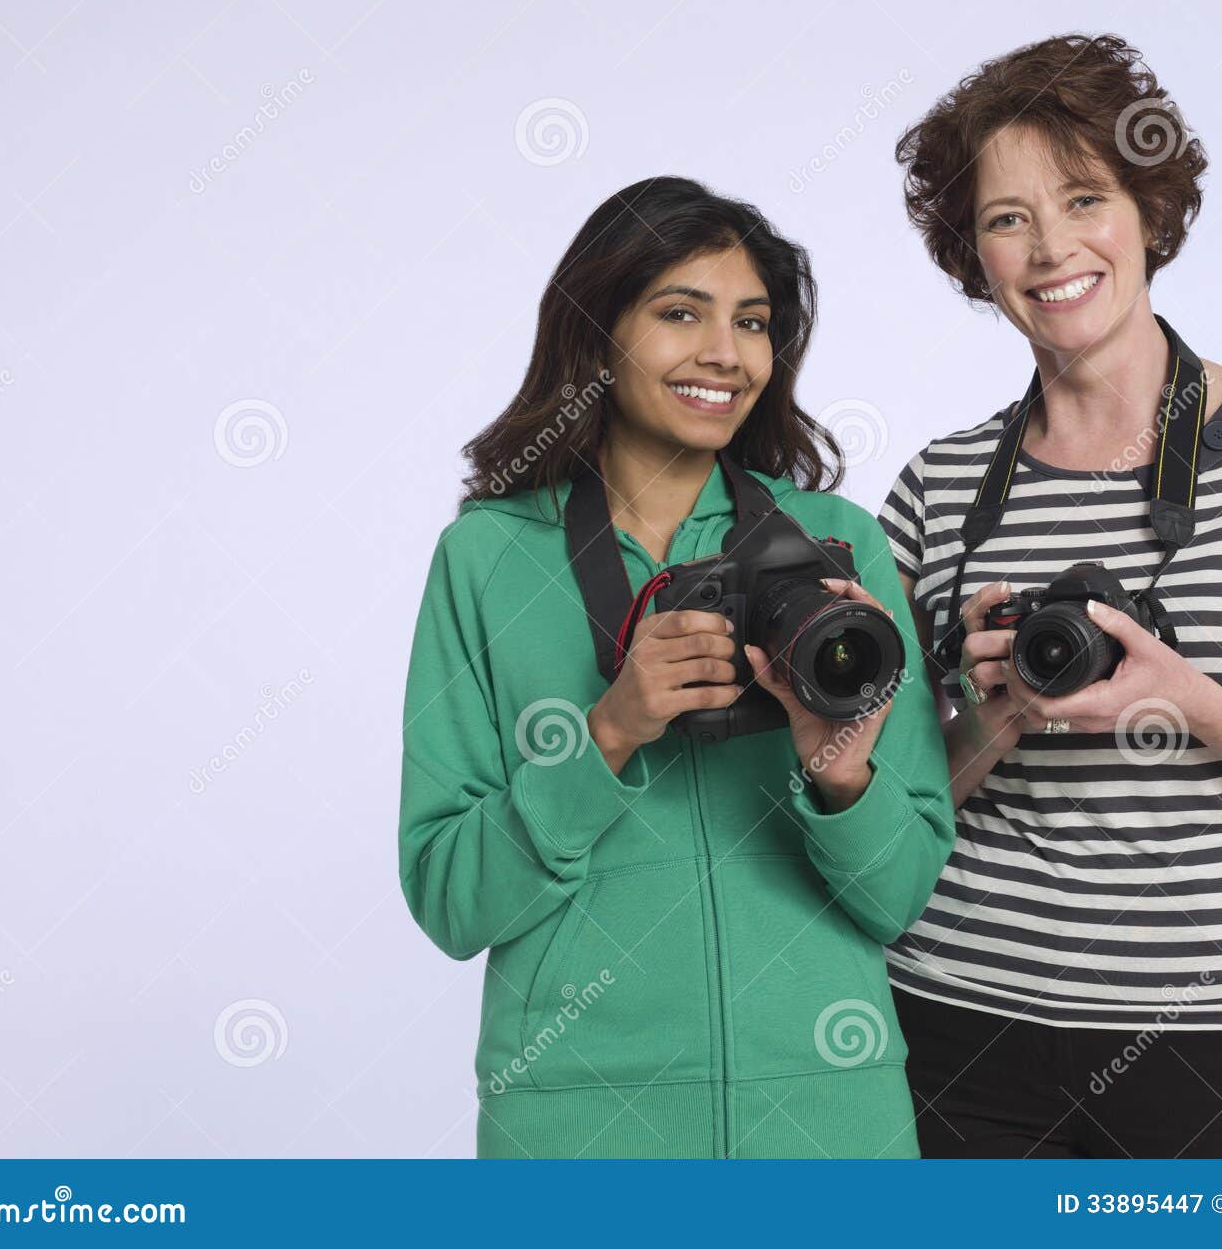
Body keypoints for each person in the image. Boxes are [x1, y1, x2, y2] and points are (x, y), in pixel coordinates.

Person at [877, 34, 1222, 1158]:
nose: (1051, 247)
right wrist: (998, 715)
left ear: (1148, 211)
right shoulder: (935, 488)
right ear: (971, 253)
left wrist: (1189, 702)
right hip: (955, 1030)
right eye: (1005, 218)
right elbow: (883, 802)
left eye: (1084, 198)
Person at [398, 176, 955, 1158]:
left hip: (828, 1126)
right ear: (596, 332)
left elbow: (897, 893)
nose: (722, 354)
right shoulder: (486, 558)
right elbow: (450, 899)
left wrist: (838, 769)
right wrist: (606, 733)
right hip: (577, 1124)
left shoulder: (838, 549)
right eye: (678, 313)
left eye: (751, 322)